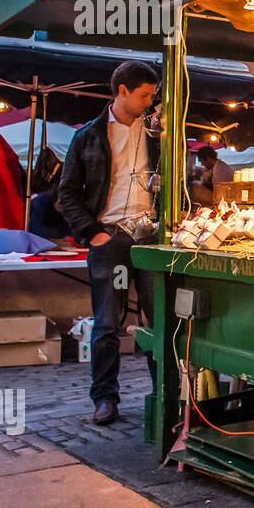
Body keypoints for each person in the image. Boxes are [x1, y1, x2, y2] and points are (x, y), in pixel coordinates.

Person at [58, 60, 161, 426]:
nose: (150, 102)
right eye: (144, 95)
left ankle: (163, 395)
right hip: (112, 240)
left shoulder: (156, 135)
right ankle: (105, 398)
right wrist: (92, 233)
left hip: (151, 240)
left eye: (152, 96)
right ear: (122, 91)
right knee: (107, 322)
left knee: (157, 320)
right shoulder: (88, 135)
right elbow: (67, 193)